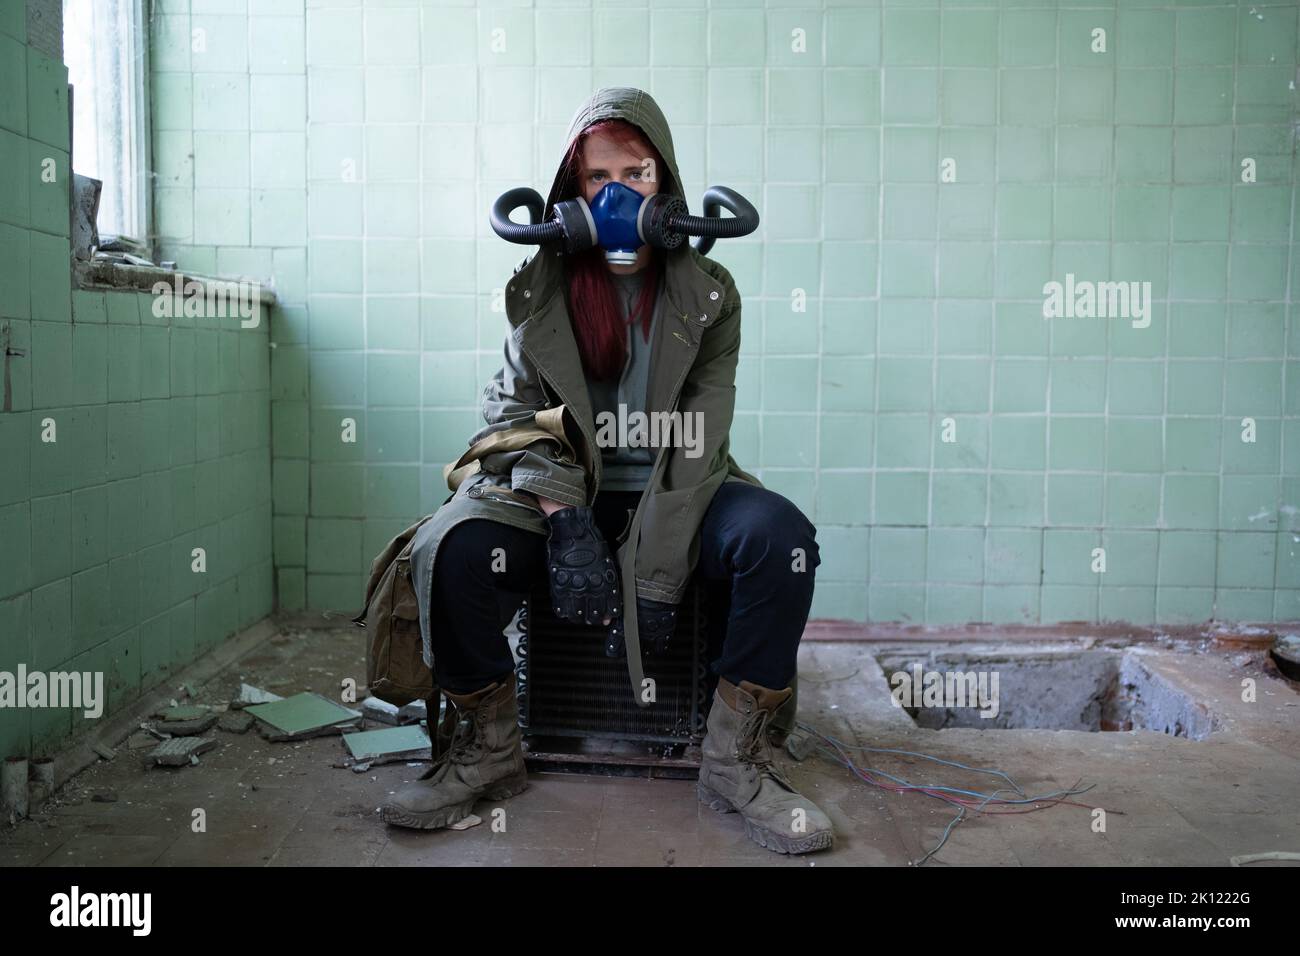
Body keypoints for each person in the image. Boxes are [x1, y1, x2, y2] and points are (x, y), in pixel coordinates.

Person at [381, 88, 833, 854]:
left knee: (778, 539)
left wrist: (653, 576)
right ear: (571, 189)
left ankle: (733, 763)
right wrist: (563, 515)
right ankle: (488, 751)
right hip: (558, 495)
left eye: (638, 171)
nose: (619, 192)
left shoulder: (709, 296)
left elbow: (699, 437)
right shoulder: (542, 285)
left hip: (674, 488)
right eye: (598, 178)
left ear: (668, 184)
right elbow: (513, 420)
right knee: (451, 547)